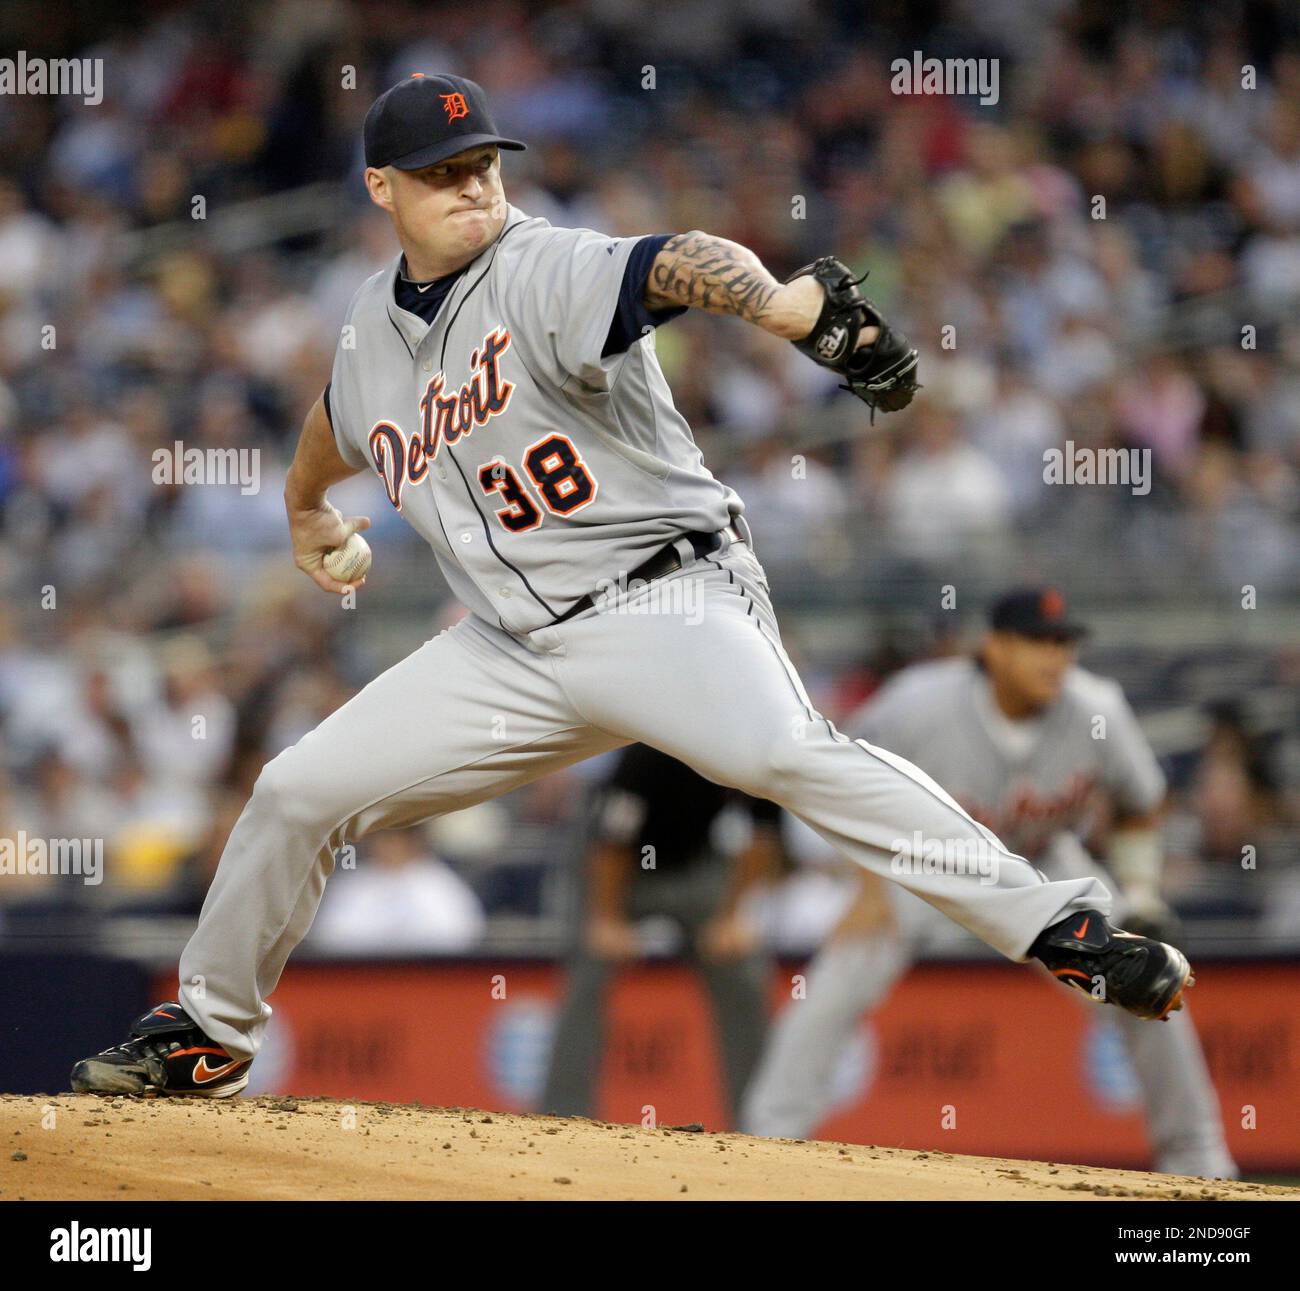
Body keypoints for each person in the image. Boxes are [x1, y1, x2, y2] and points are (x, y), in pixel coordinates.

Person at [72, 75, 1189, 1100]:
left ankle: (1061, 928)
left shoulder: (538, 264)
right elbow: (333, 418)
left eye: (482, 163)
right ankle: (209, 1030)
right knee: (294, 791)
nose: (472, 185)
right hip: (508, 647)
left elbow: (676, 258)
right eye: (442, 171)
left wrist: (792, 313)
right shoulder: (369, 328)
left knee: (785, 755)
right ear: (381, 187)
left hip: (664, 600)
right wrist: (306, 509)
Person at [741, 588, 1236, 1179]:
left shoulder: (1096, 707)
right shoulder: (919, 703)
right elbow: (834, 777)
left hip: (1043, 859)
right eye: (1037, 642)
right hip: (927, 865)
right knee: (834, 985)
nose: (1055, 657)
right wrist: (869, 889)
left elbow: (1140, 803)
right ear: (994, 648)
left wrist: (1141, 891)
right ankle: (767, 1145)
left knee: (1142, 976)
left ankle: (1199, 1160)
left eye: (1064, 643)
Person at [541, 744, 780, 1121]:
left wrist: (734, 917)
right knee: (587, 974)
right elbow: (611, 839)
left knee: (744, 973)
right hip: (618, 872)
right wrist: (605, 920)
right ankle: (561, 1114)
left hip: (694, 866)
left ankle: (761, 1120)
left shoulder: (752, 751)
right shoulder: (650, 754)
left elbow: (763, 834)